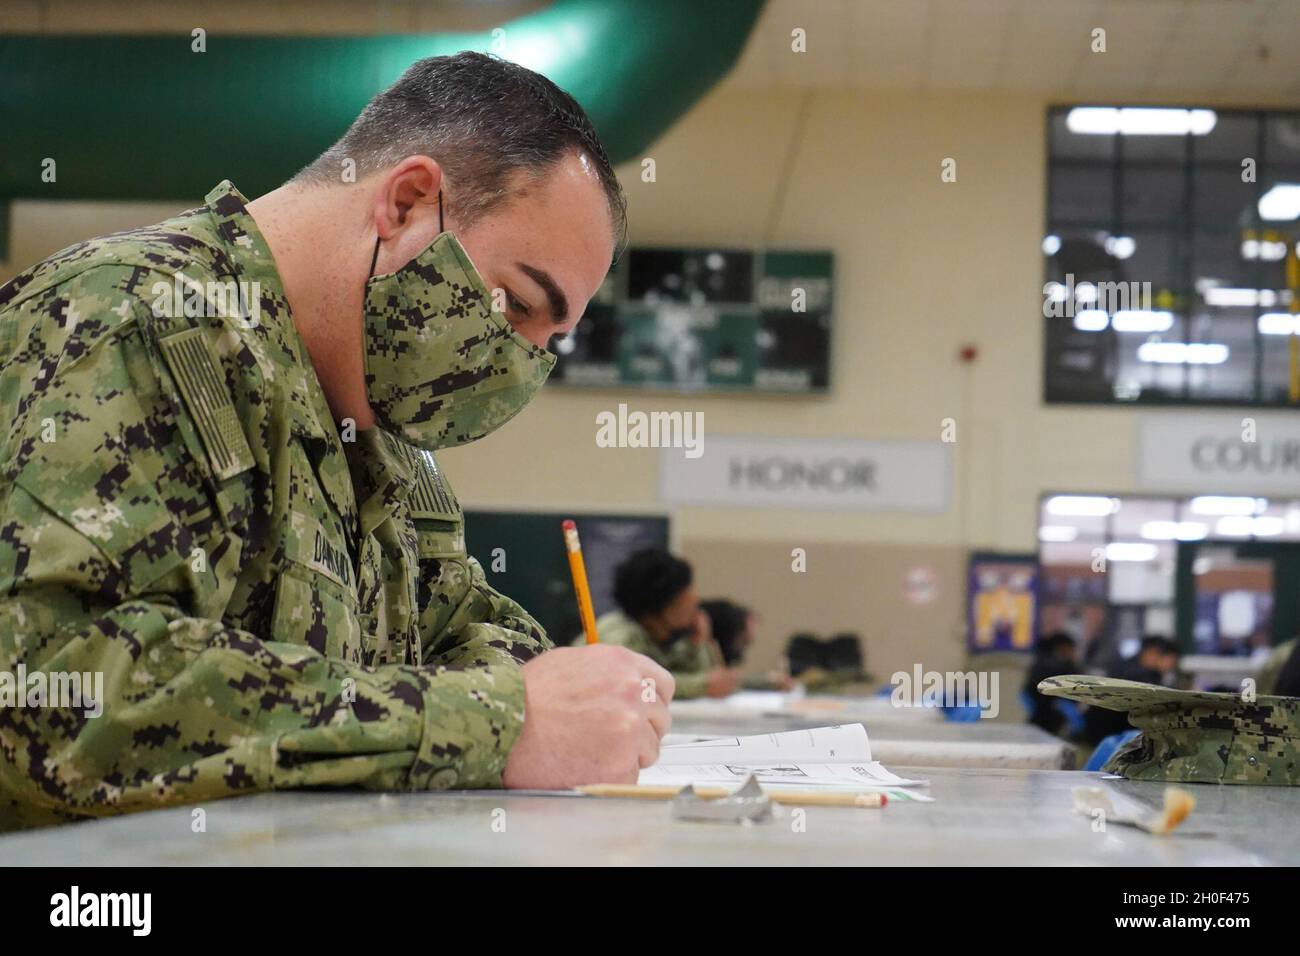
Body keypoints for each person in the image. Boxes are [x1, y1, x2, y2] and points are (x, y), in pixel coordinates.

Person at [0, 52, 674, 830]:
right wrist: (492, 723)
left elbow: (472, 629)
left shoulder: (372, 426)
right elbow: (50, 687)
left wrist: (536, 701)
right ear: (409, 202)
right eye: (517, 304)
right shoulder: (129, 322)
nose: (520, 362)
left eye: (549, 341)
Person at [584, 550, 741, 699]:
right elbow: (633, 684)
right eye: (685, 597)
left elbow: (711, 680)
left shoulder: (669, 637)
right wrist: (701, 685)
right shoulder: (619, 637)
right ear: (657, 609)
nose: (695, 602)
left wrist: (698, 644)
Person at [1079, 635, 1181, 747]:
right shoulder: (1147, 676)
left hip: (1095, 732)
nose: (1171, 665)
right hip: (1110, 738)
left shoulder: (1125, 665)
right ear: (1153, 653)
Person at [1021, 631, 1078, 735]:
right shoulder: (1058, 665)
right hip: (1048, 714)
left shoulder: (1041, 661)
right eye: (1071, 649)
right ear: (1062, 647)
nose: (1072, 653)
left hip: (1040, 714)